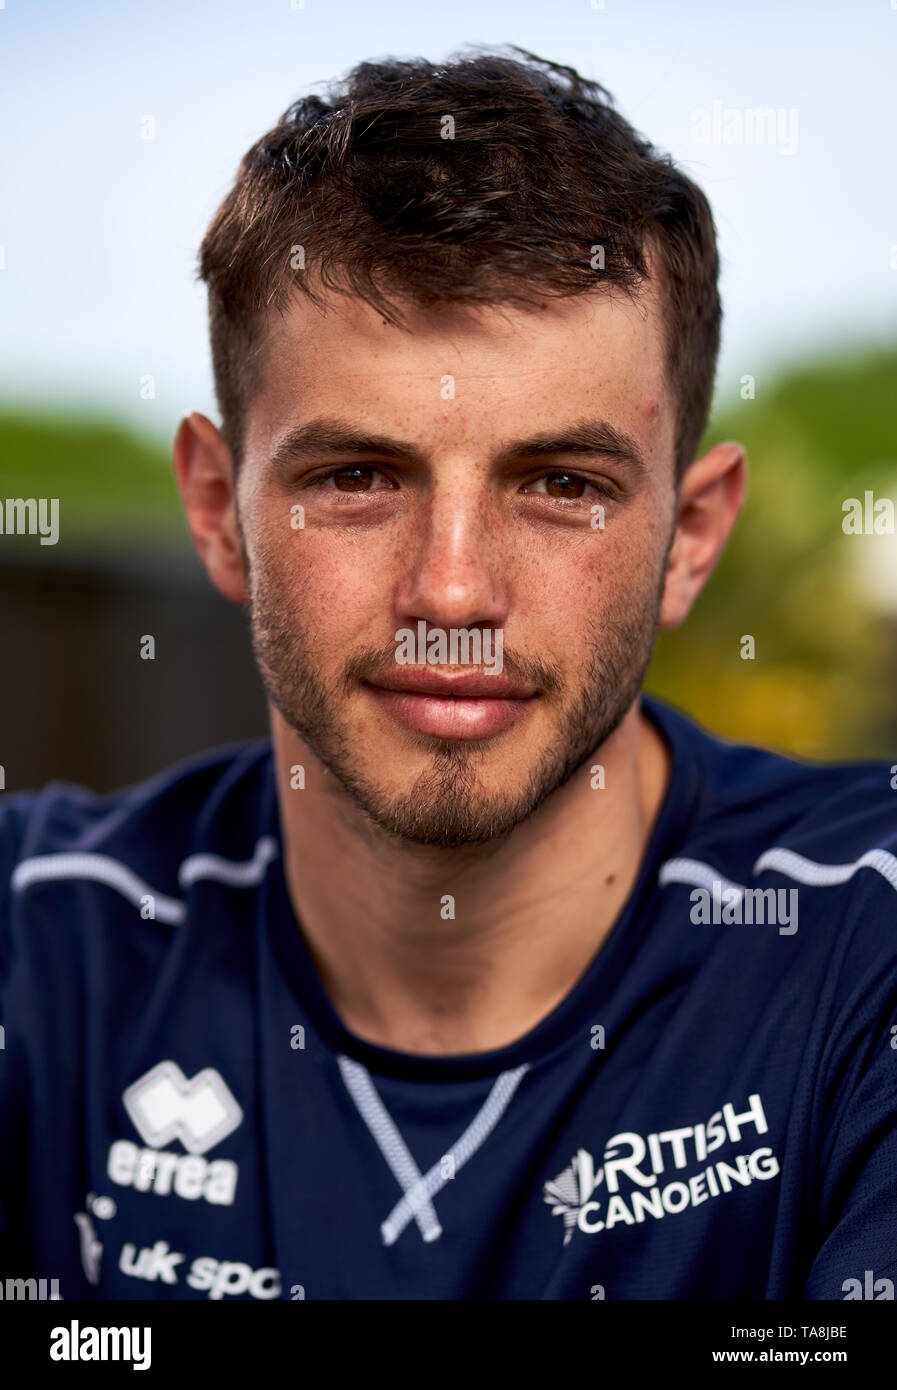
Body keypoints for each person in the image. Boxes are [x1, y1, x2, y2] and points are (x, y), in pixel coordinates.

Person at [2, 48, 895, 1302]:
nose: (455, 593)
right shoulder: (40, 938)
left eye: (562, 486)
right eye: (357, 477)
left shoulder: (866, 941)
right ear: (217, 509)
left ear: (690, 538)